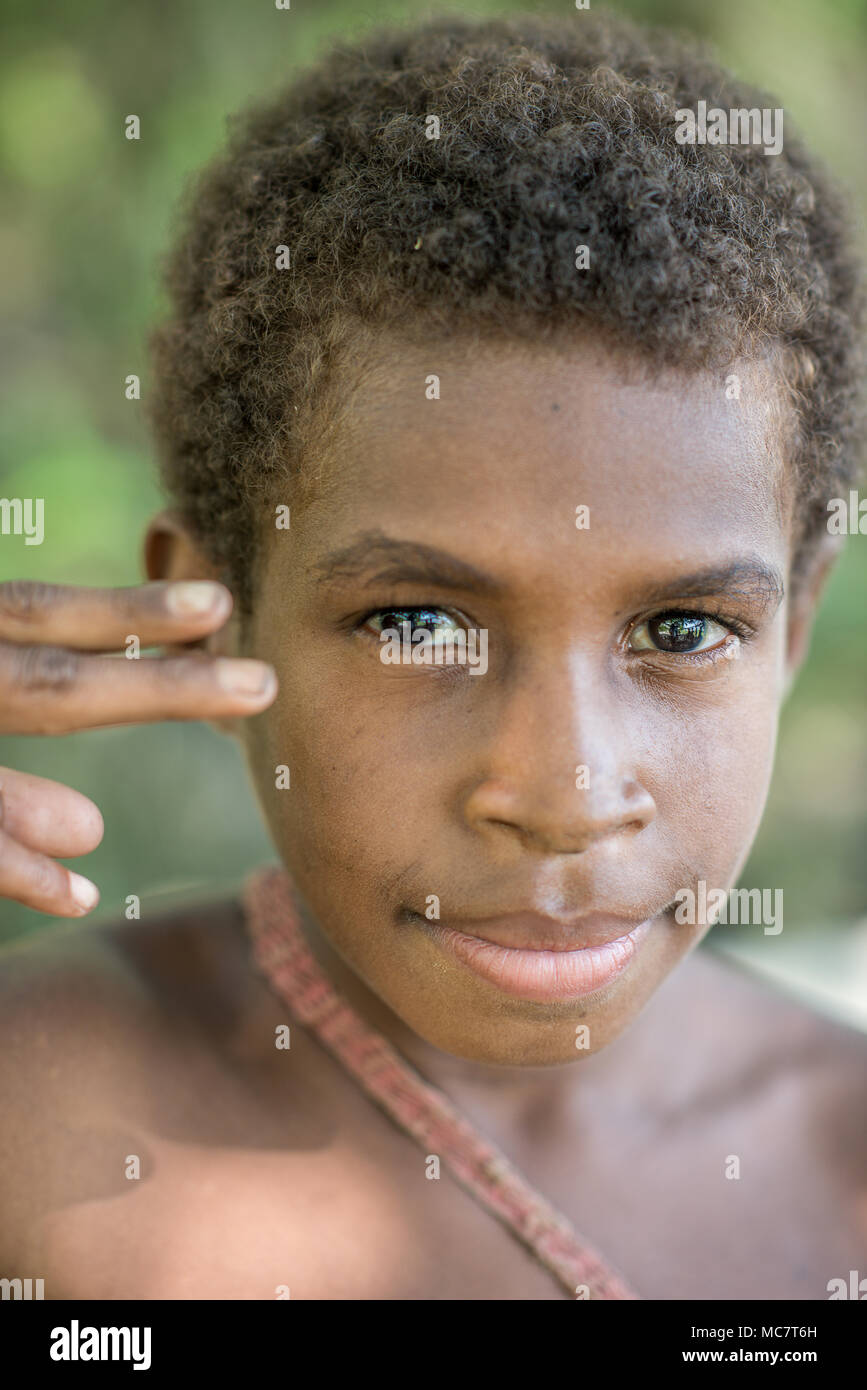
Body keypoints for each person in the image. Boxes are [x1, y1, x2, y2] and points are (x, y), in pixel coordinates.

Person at [1, 10, 865, 1300]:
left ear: (792, 628)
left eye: (682, 630)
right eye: (417, 624)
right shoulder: (35, 1120)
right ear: (208, 616)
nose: (567, 798)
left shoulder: (842, 1176)